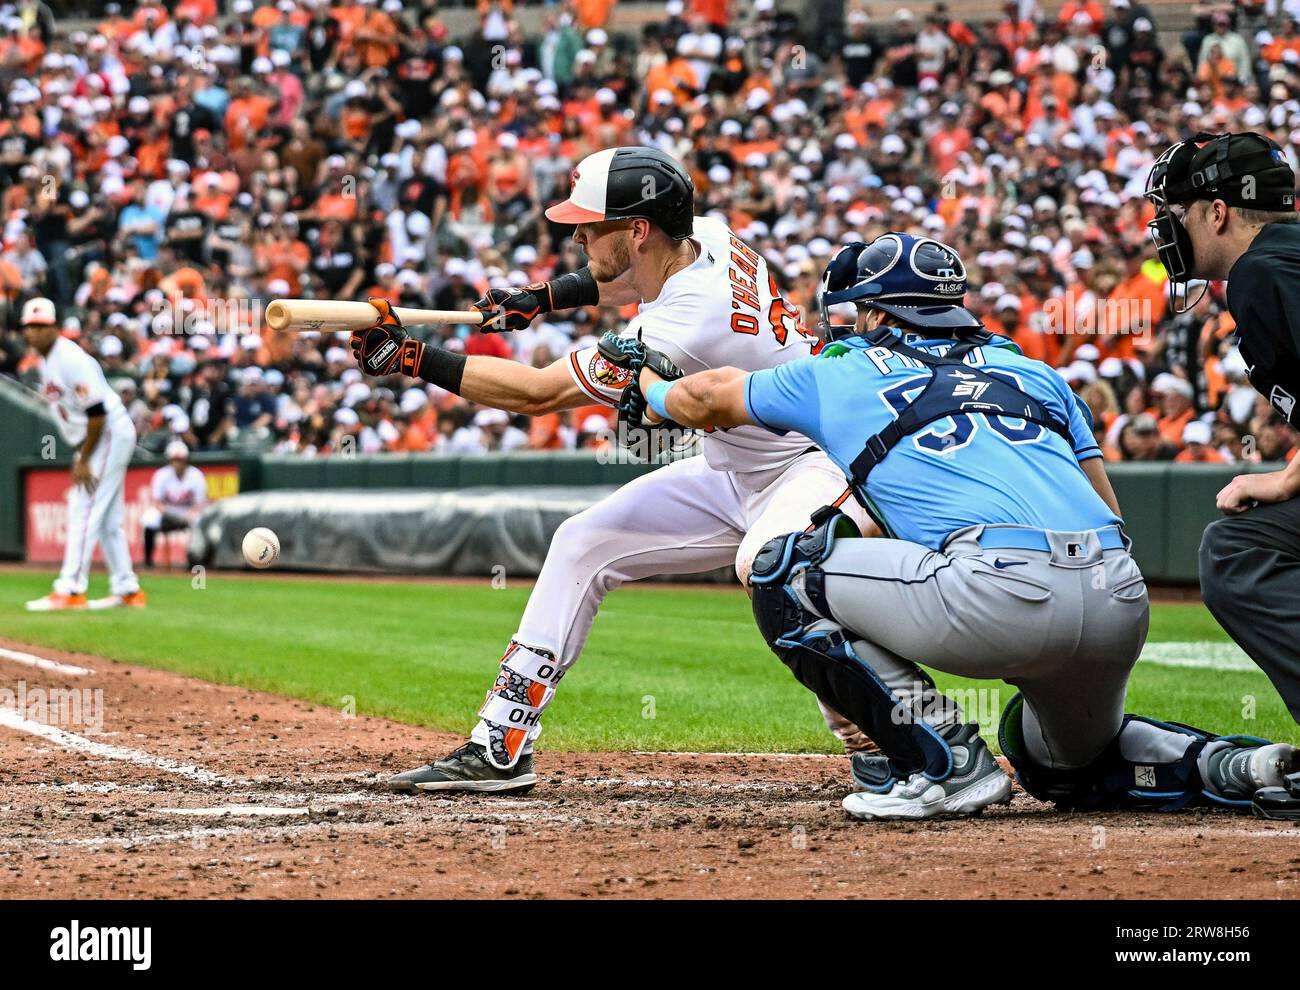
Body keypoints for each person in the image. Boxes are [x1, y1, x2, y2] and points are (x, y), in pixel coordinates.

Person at [617, 232, 1299, 821]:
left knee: (781, 570)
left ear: (877, 311)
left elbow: (703, 400)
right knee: (1058, 761)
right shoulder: (1036, 371)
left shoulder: (845, 369)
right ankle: (1249, 767)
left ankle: (944, 763)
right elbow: (1111, 515)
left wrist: (647, 386)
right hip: (1117, 598)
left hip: (997, 593)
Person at [349, 146, 877, 794]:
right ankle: (500, 745)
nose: (577, 235)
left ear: (637, 230)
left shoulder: (677, 326)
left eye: (591, 225)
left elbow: (535, 393)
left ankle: (878, 743)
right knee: (582, 541)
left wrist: (411, 359)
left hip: (810, 471)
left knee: (776, 570)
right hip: (740, 468)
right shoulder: (706, 236)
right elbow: (622, 279)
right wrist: (541, 299)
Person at [1145, 131, 1300, 725]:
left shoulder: (1262, 270)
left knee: (1237, 550)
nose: (1166, 228)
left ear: (1217, 212)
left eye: (1176, 212)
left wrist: (1287, 482)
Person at [22, 297, 145, 611]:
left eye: (42, 326)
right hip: (98, 438)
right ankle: (127, 589)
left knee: (83, 508)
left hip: (106, 433)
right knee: (107, 519)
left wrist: (85, 458)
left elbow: (97, 413)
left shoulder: (69, 358)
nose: (36, 332)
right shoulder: (46, 359)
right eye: (31, 327)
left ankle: (71, 588)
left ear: (55, 327)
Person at [142, 440, 208, 568]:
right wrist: (168, 515)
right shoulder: (162, 475)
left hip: (188, 512)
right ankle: (148, 561)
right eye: (175, 459)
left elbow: (200, 503)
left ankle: (194, 561)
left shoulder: (196, 475)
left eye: (180, 459)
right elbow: (156, 502)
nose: (178, 463)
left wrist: (189, 515)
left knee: (200, 521)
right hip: (167, 511)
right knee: (149, 518)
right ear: (170, 460)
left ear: (186, 460)